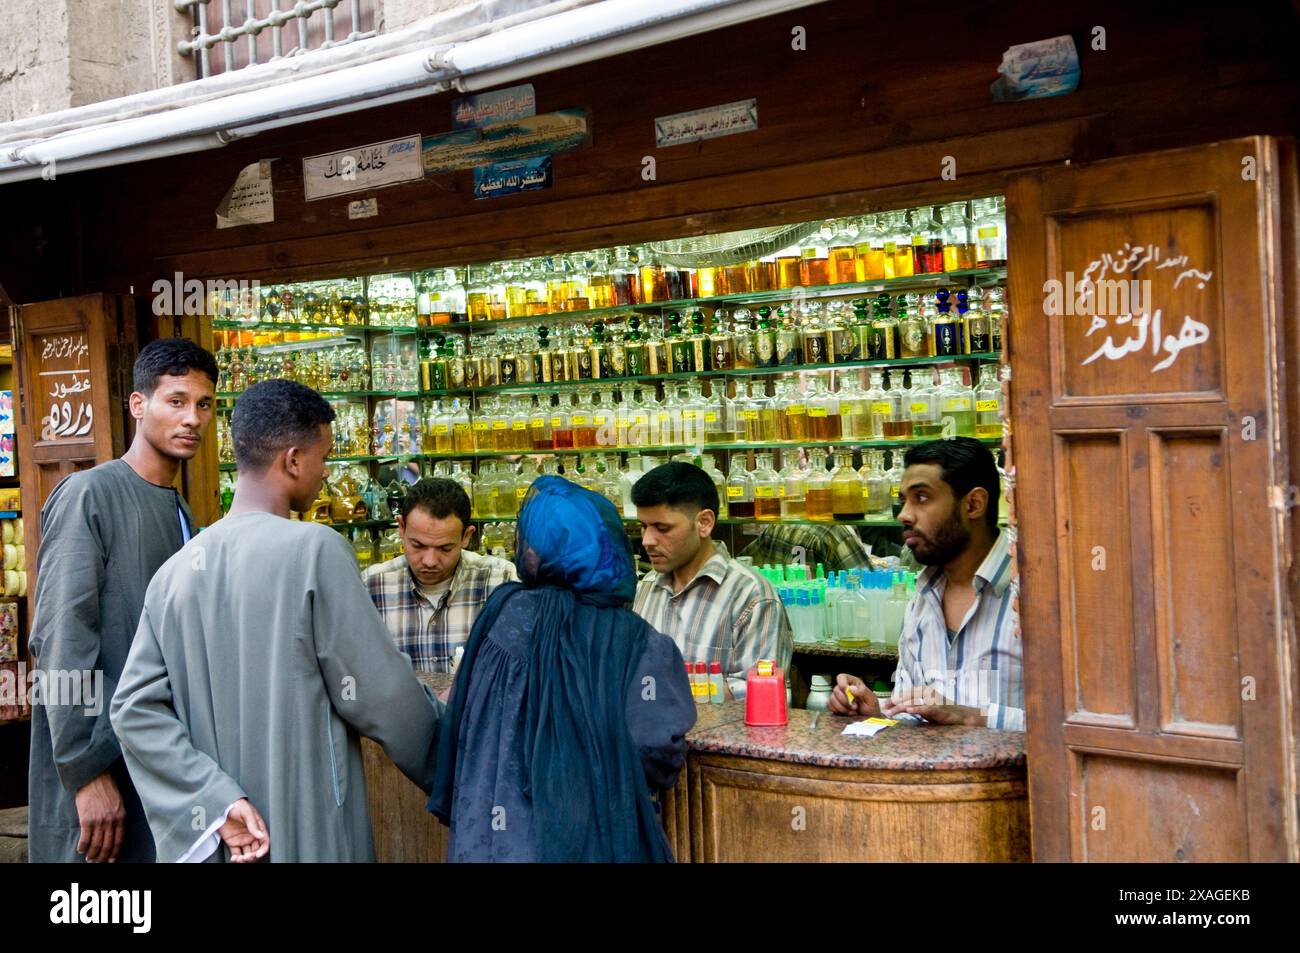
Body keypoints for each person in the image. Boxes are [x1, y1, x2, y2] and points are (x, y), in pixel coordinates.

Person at [110, 380, 439, 862]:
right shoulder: (316, 552)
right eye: (323, 457)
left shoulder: (176, 572)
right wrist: (458, 764)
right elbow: (383, 697)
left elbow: (134, 711)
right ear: (292, 460)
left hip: (232, 837)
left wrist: (216, 798)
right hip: (311, 833)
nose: (326, 473)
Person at [429, 476, 696, 862]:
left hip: (488, 836)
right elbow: (655, 748)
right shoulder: (635, 641)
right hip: (587, 841)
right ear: (608, 547)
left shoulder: (502, 612)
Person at [27, 338, 217, 863]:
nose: (192, 419)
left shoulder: (180, 508)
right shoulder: (90, 493)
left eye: (204, 405)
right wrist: (86, 774)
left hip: (153, 764)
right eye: (175, 401)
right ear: (138, 405)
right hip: (97, 773)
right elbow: (61, 639)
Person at [828, 438, 1023, 729]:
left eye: (922, 497)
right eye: (903, 499)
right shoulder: (921, 600)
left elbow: (1082, 728)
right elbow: (916, 717)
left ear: (973, 504)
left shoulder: (1034, 593)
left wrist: (972, 717)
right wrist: (877, 712)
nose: (903, 514)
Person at [631, 462, 792, 698]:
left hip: (718, 735)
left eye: (662, 528)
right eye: (643, 527)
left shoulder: (751, 595)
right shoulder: (646, 587)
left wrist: (672, 695)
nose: (647, 540)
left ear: (704, 523)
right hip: (649, 732)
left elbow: (762, 690)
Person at [364, 477, 517, 673]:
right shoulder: (371, 586)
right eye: (418, 545)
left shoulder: (501, 581)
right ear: (401, 527)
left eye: (445, 548)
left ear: (467, 537)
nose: (430, 561)